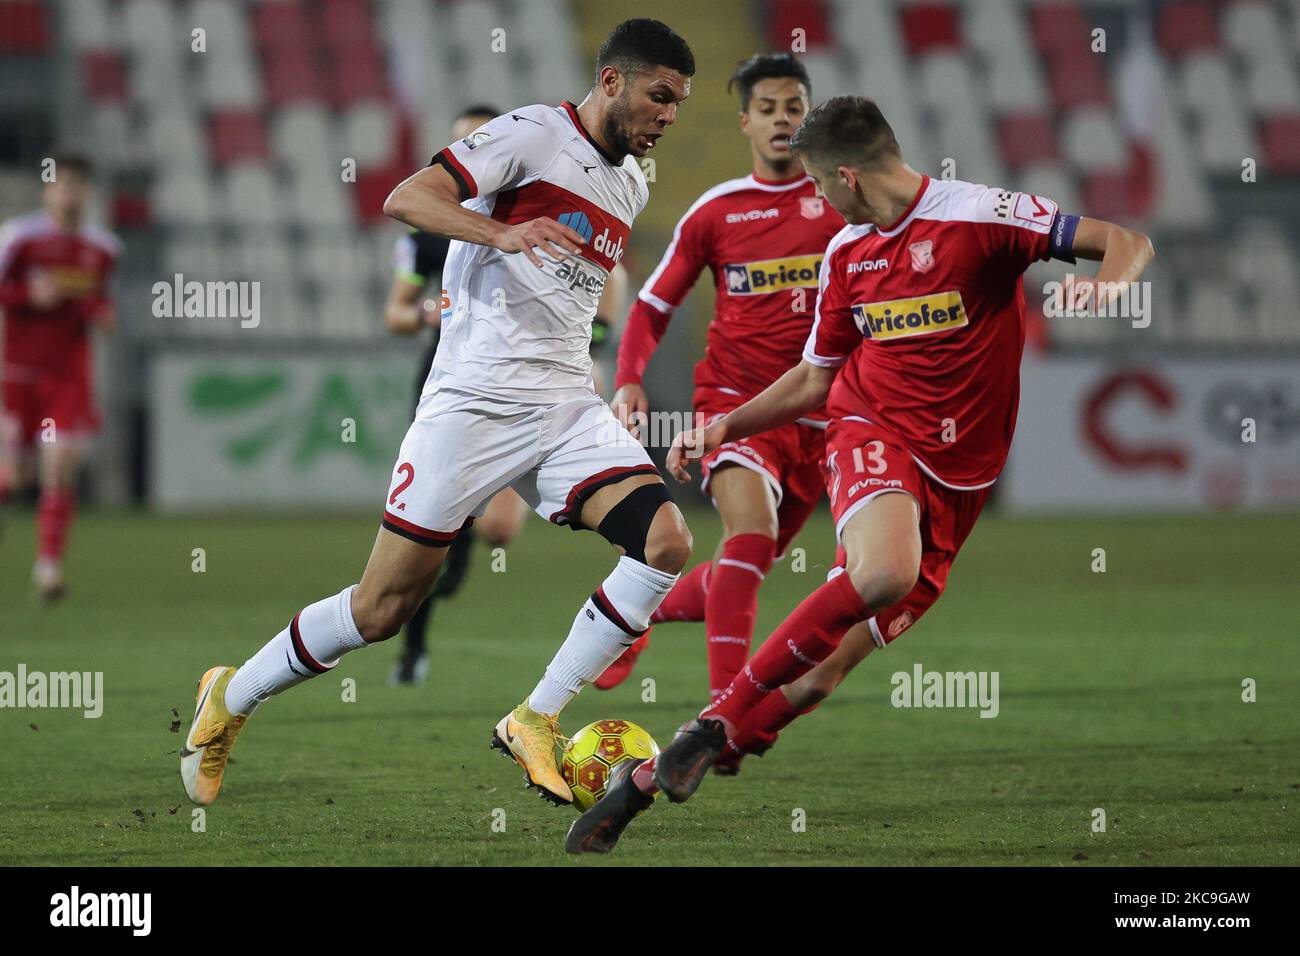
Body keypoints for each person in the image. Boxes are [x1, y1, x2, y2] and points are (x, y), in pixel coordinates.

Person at [566, 94, 1154, 853]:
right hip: (870, 429)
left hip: (962, 480)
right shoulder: (849, 254)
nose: (814, 198)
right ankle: (712, 719)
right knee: (883, 574)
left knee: (813, 681)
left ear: (846, 173)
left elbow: (1124, 240)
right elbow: (815, 382)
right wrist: (723, 426)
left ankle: (648, 781)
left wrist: (1108, 284)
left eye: (817, 183)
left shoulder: (980, 219)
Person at [180, 19, 696, 810]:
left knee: (665, 541)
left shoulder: (630, 183)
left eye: (679, 104)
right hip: (473, 403)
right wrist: (501, 229)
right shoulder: (529, 134)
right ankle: (232, 695)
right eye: (658, 95)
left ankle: (536, 716)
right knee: (380, 609)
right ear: (612, 81)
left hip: (562, 405)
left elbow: (582, 290)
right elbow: (406, 197)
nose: (667, 115)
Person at [597, 55, 844, 728]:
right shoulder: (719, 211)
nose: (782, 121)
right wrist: (627, 380)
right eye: (768, 109)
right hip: (732, 405)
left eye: (794, 107)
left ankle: (631, 614)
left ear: (810, 117)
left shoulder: (844, 208)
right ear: (745, 122)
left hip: (819, 412)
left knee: (746, 564)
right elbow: (651, 305)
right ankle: (722, 716)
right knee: (751, 533)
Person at [0, 151, 120, 602]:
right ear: (47, 190)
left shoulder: (103, 250)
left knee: (60, 467)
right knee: (15, 477)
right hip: (18, 375)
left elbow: (97, 300)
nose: (69, 194)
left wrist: (104, 313)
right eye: (61, 184)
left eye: (78, 185)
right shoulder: (18, 239)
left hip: (69, 377)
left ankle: (48, 570)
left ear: (88, 192)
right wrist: (28, 294)